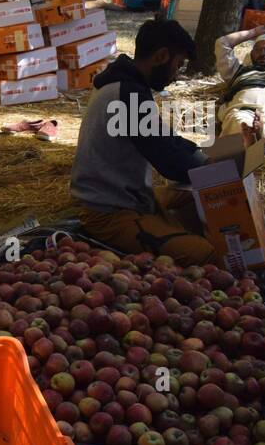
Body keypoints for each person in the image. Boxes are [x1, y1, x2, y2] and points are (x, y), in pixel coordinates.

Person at [70, 19, 220, 265]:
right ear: (161, 56)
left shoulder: (126, 85)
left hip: (128, 197)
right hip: (110, 213)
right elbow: (168, 160)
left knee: (196, 197)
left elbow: (164, 138)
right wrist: (210, 169)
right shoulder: (127, 95)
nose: (176, 75)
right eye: (178, 65)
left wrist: (203, 159)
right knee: (207, 255)